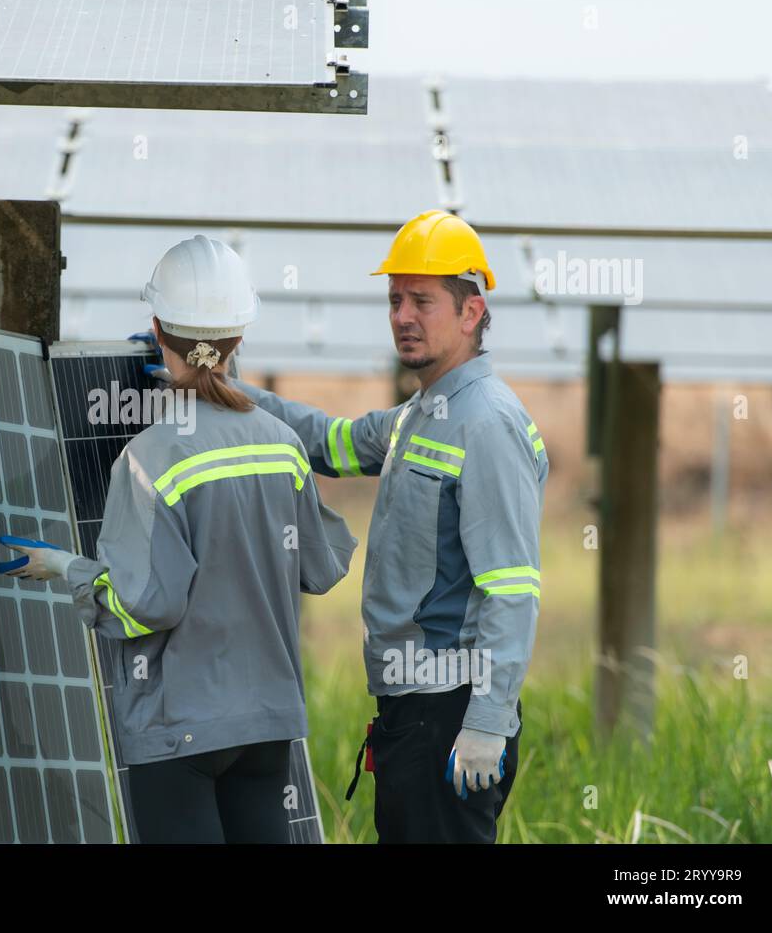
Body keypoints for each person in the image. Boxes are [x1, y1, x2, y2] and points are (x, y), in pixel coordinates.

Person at [0, 234, 357, 844]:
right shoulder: (284, 444)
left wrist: (66, 568)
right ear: (239, 338)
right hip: (266, 726)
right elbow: (322, 567)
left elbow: (149, 607)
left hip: (177, 730)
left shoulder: (149, 457)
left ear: (158, 329)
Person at [235, 210, 549, 843]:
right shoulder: (422, 414)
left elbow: (511, 588)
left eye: (423, 301)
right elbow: (331, 443)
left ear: (470, 311)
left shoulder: (485, 422)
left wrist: (487, 721)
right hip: (413, 713)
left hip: (451, 711)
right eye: (395, 299)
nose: (403, 315)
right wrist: (229, 390)